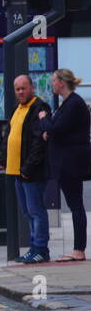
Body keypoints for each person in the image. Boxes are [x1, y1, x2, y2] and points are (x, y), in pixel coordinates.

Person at [1, 74, 52, 263]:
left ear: (32, 87)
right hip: (17, 171)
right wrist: (5, 160)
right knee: (27, 212)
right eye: (17, 89)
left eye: (24, 88)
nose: (20, 92)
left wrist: (28, 168)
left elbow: (39, 143)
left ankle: (41, 249)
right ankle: (33, 248)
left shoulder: (39, 108)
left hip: (31, 172)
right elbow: (9, 135)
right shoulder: (18, 108)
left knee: (36, 210)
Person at [39, 68, 89, 262]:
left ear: (62, 82)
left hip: (71, 163)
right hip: (67, 162)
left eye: (53, 81)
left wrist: (44, 121)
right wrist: (49, 129)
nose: (52, 84)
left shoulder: (73, 104)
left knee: (76, 205)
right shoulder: (67, 104)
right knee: (74, 203)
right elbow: (56, 129)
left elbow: (55, 128)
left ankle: (79, 249)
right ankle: (78, 249)